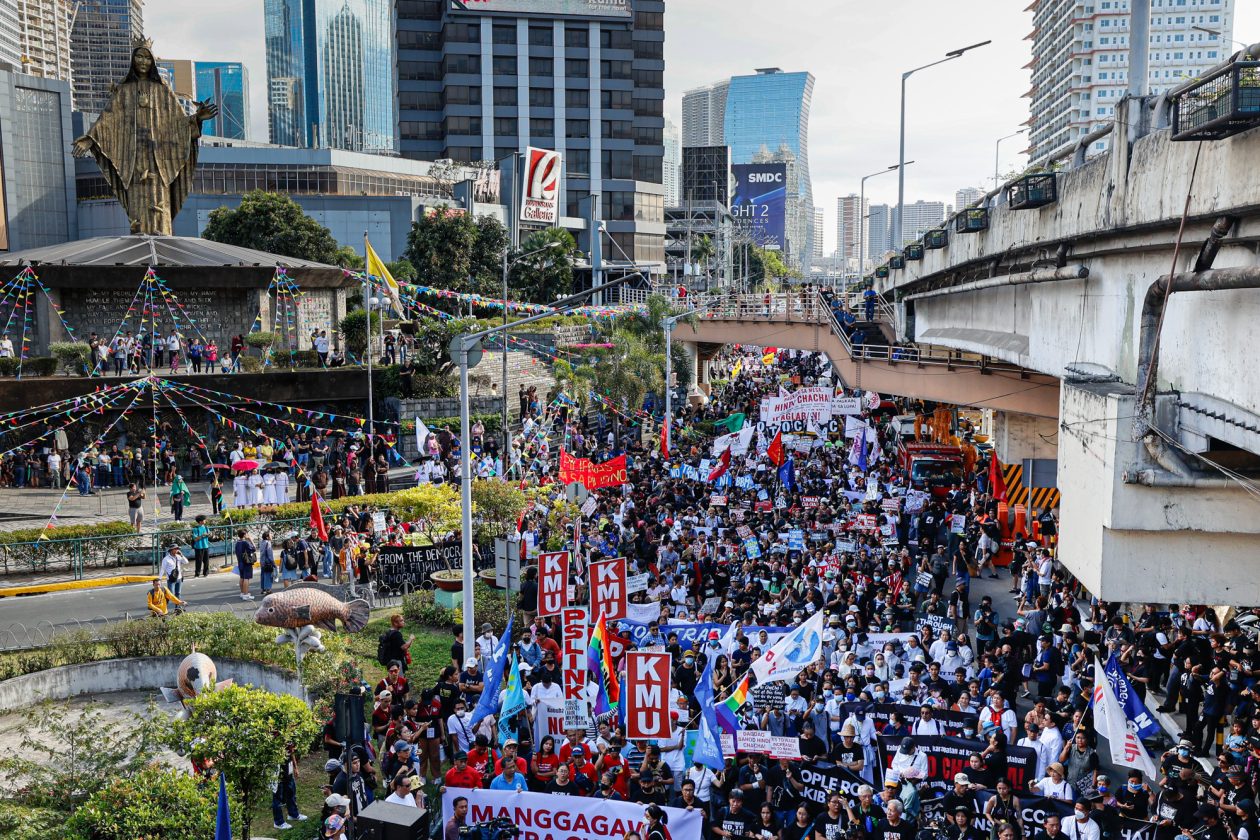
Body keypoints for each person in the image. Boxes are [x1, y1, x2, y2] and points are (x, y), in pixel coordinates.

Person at [272, 742, 308, 831]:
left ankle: (293, 814)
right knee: (278, 796)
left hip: (288, 767)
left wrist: (295, 767)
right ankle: (278, 822)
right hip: (276, 770)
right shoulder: (273, 736)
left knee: (291, 790)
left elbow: (291, 752)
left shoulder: (288, 736)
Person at [233, 529, 256, 601]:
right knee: (246, 578)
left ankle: (243, 593)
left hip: (240, 562)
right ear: (244, 535)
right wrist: (251, 540)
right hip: (246, 562)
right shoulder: (245, 542)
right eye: (247, 534)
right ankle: (246, 595)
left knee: (242, 577)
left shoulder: (237, 543)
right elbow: (254, 548)